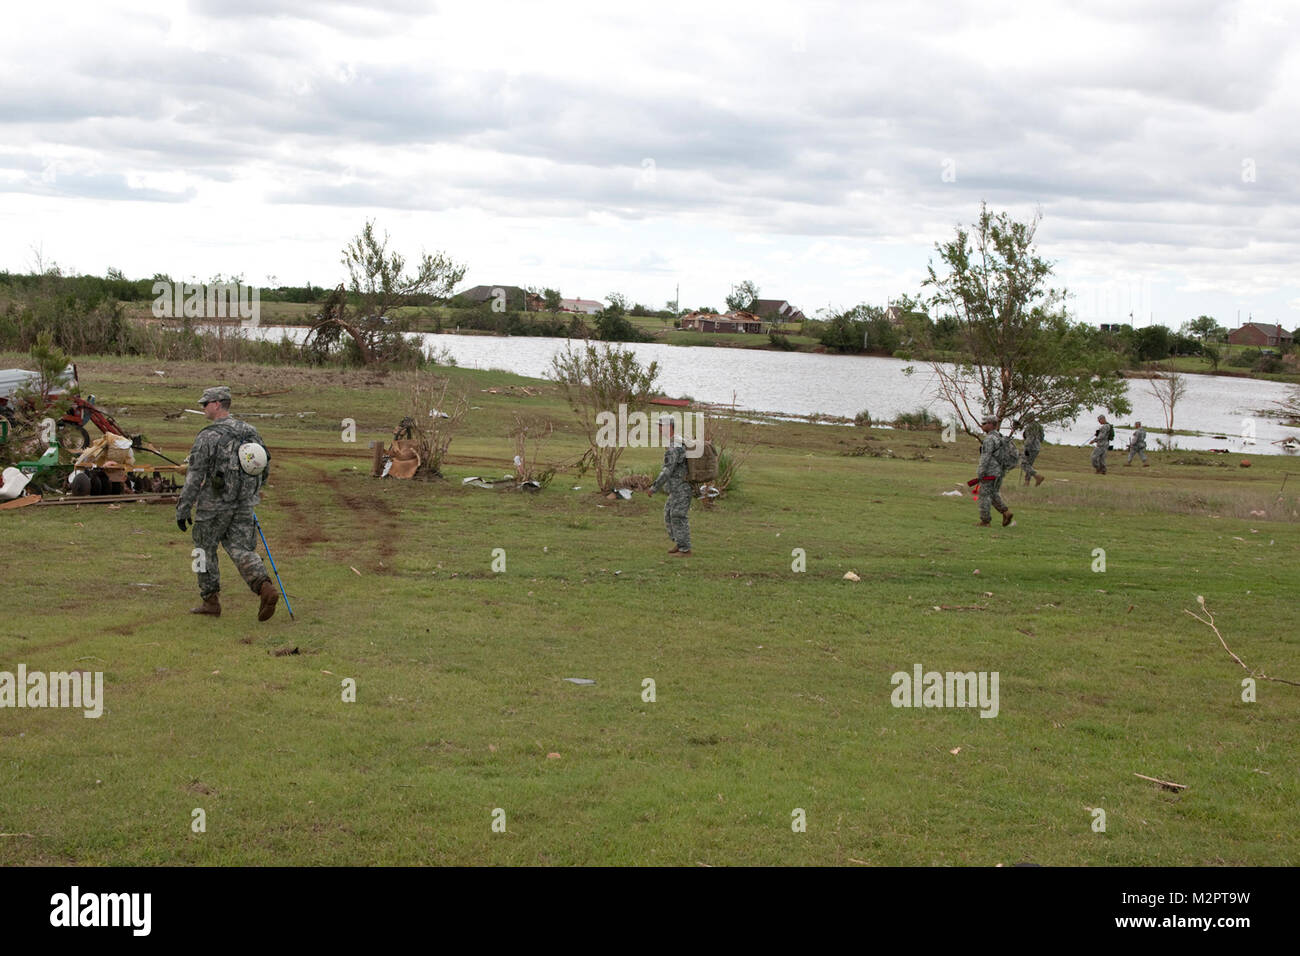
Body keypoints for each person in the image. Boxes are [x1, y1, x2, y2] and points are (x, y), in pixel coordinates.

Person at [176, 386, 278, 620]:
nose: (203, 408)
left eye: (205, 404)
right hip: (243, 503)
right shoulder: (250, 431)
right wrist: (253, 491)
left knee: (203, 550)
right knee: (242, 549)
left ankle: (210, 601)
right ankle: (265, 587)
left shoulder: (208, 436)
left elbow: (195, 475)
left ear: (218, 404)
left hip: (213, 506)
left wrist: (183, 507)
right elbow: (264, 464)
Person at [647, 415, 691, 555]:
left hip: (681, 487)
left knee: (677, 515)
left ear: (668, 427)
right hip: (676, 487)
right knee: (668, 513)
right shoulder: (675, 441)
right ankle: (680, 543)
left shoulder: (674, 446)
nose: (659, 429)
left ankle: (685, 549)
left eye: (660, 426)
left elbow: (667, 470)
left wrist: (654, 487)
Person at [975, 415, 1014, 527]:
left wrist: (981, 472)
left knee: (984, 495)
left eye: (984, 423)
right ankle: (1006, 512)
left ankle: (985, 521)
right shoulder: (1000, 437)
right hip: (1000, 471)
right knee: (993, 493)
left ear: (991, 424)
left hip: (990, 471)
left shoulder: (989, 439)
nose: (982, 425)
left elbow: (985, 457)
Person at [1019, 413, 1046, 486]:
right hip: (1037, 447)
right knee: (1029, 464)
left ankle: (1037, 476)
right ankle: (1027, 482)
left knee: (1024, 463)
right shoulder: (1039, 426)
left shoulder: (1030, 426)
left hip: (1030, 447)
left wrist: (1026, 447)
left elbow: (1030, 438)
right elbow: (1042, 436)